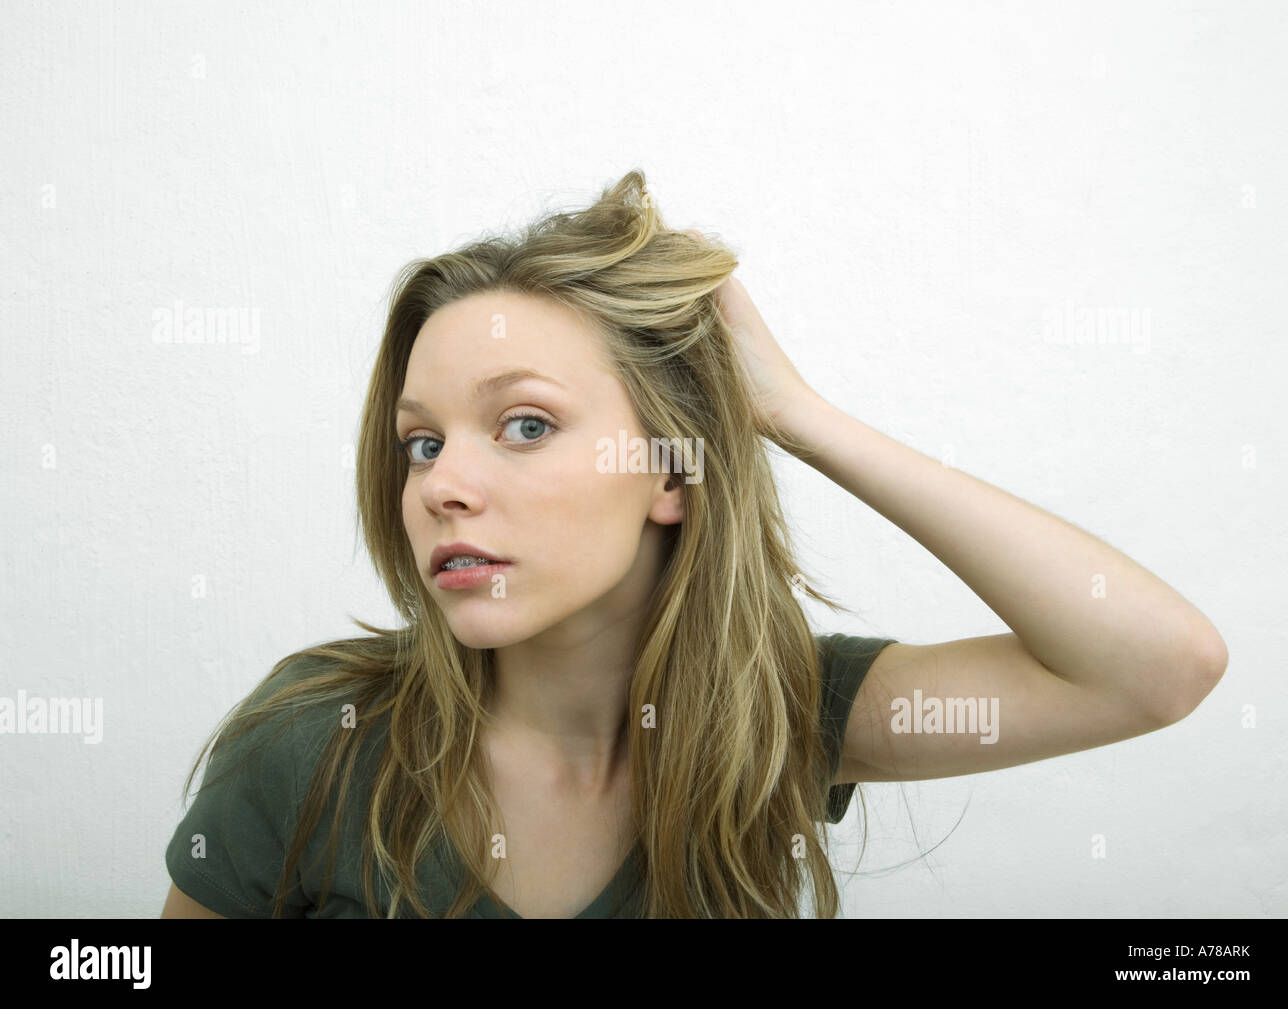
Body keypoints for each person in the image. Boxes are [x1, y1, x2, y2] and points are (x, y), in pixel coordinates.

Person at [162, 169, 1227, 919]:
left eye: (524, 424)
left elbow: (1155, 667)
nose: (443, 482)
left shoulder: (781, 718)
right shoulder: (314, 741)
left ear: (671, 472)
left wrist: (797, 414)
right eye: (422, 441)